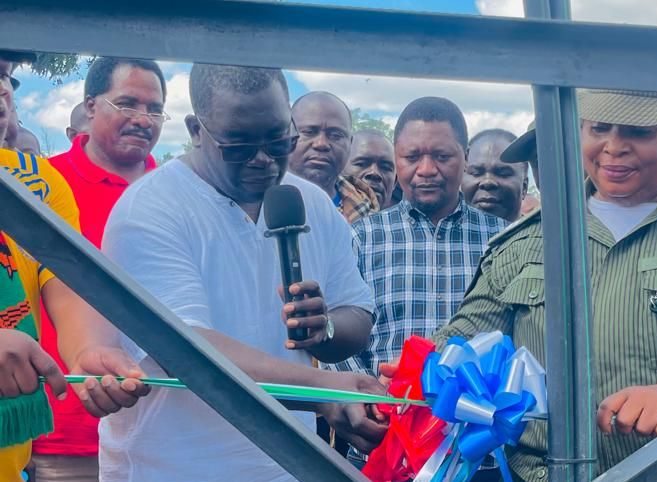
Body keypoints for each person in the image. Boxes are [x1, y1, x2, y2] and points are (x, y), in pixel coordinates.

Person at [398, 90, 657, 481]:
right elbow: (465, 338)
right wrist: (405, 379)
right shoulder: (524, 242)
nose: (614, 147)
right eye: (599, 129)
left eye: (639, 131)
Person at [97, 63, 386, 482]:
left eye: (278, 140)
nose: (263, 160)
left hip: (288, 469)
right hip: (170, 470)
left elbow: (357, 315)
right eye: (238, 146)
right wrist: (321, 392)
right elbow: (188, 349)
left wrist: (323, 328)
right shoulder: (149, 210)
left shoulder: (313, 204)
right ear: (197, 130)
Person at [331, 97, 507, 474]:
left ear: (465, 155)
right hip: (383, 447)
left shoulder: (502, 240)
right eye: (412, 157)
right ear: (397, 158)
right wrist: (363, 393)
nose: (426, 170)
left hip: (478, 453)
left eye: (442, 156)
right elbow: (340, 328)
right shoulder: (363, 237)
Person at [0, 49, 149, 482]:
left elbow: (66, 282)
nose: (1, 90)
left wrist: (88, 351)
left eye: (6, 75)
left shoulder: (36, 183)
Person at [34, 57, 165, 482]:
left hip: (166, 432)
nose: (143, 119)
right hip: (66, 436)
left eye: (154, 108)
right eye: (127, 103)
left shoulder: (178, 194)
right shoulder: (42, 188)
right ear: (90, 106)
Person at [289, 91, 379, 222]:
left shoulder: (371, 218)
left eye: (336, 135)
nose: (321, 144)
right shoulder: (256, 206)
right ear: (286, 134)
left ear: (350, 143)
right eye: (309, 132)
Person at [461, 128, 528, 222]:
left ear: (524, 187)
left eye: (503, 174)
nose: (488, 182)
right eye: (476, 173)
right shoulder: (442, 234)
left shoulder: (546, 235)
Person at [343, 129, 397, 209]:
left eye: (385, 168)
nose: (374, 173)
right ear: (339, 170)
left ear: (394, 182)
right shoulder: (321, 215)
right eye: (361, 164)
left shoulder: (406, 220)